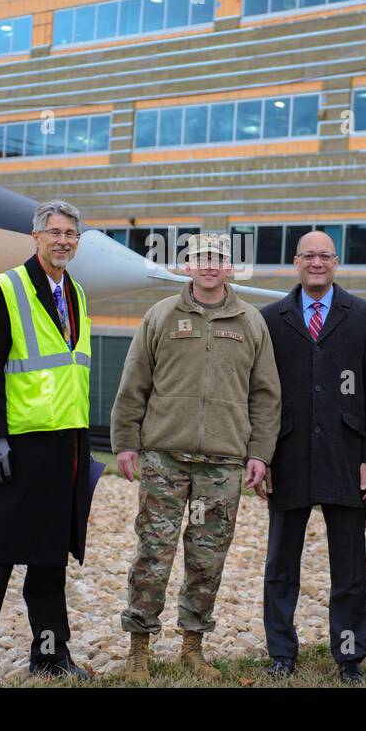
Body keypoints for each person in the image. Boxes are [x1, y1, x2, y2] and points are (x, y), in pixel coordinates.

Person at [112, 232, 280, 682]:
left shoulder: (250, 322)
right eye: (200, 258)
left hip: (223, 465)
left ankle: (192, 647)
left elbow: (266, 396)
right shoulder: (161, 316)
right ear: (186, 267)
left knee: (207, 559)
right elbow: (134, 385)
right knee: (153, 553)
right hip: (165, 459)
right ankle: (139, 649)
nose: (209, 265)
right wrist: (126, 441)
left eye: (219, 259)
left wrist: (259, 453)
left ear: (230, 269)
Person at [0, 199, 98, 687]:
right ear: (35, 237)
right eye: (53, 232)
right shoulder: (5, 289)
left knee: (50, 558)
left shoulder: (77, 293)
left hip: (65, 446)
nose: (62, 241)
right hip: (14, 448)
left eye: (70, 234)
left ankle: (50, 656)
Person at [258, 231, 366, 683]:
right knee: (280, 564)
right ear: (295, 262)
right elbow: (261, 393)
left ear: (337, 263)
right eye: (308, 256)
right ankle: (281, 653)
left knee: (349, 566)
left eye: (324, 256)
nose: (316, 262)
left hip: (347, 457)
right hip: (287, 454)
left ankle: (349, 655)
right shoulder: (270, 318)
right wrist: (263, 455)